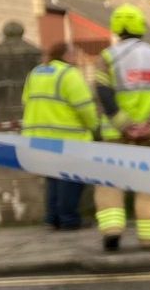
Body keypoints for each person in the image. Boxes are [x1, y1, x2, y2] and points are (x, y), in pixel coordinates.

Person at [93, 4, 150, 251]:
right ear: (141, 26)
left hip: (116, 134)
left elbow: (103, 93)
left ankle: (112, 231)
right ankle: (149, 237)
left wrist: (125, 125)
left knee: (109, 181)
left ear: (116, 28)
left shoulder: (107, 57)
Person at [21, 42, 99, 230]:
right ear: (66, 55)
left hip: (37, 136)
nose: (76, 58)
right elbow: (84, 107)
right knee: (71, 179)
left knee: (53, 179)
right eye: (74, 54)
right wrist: (95, 126)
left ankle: (52, 218)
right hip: (68, 138)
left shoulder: (36, 72)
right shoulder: (69, 74)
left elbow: (25, 101)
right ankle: (68, 219)